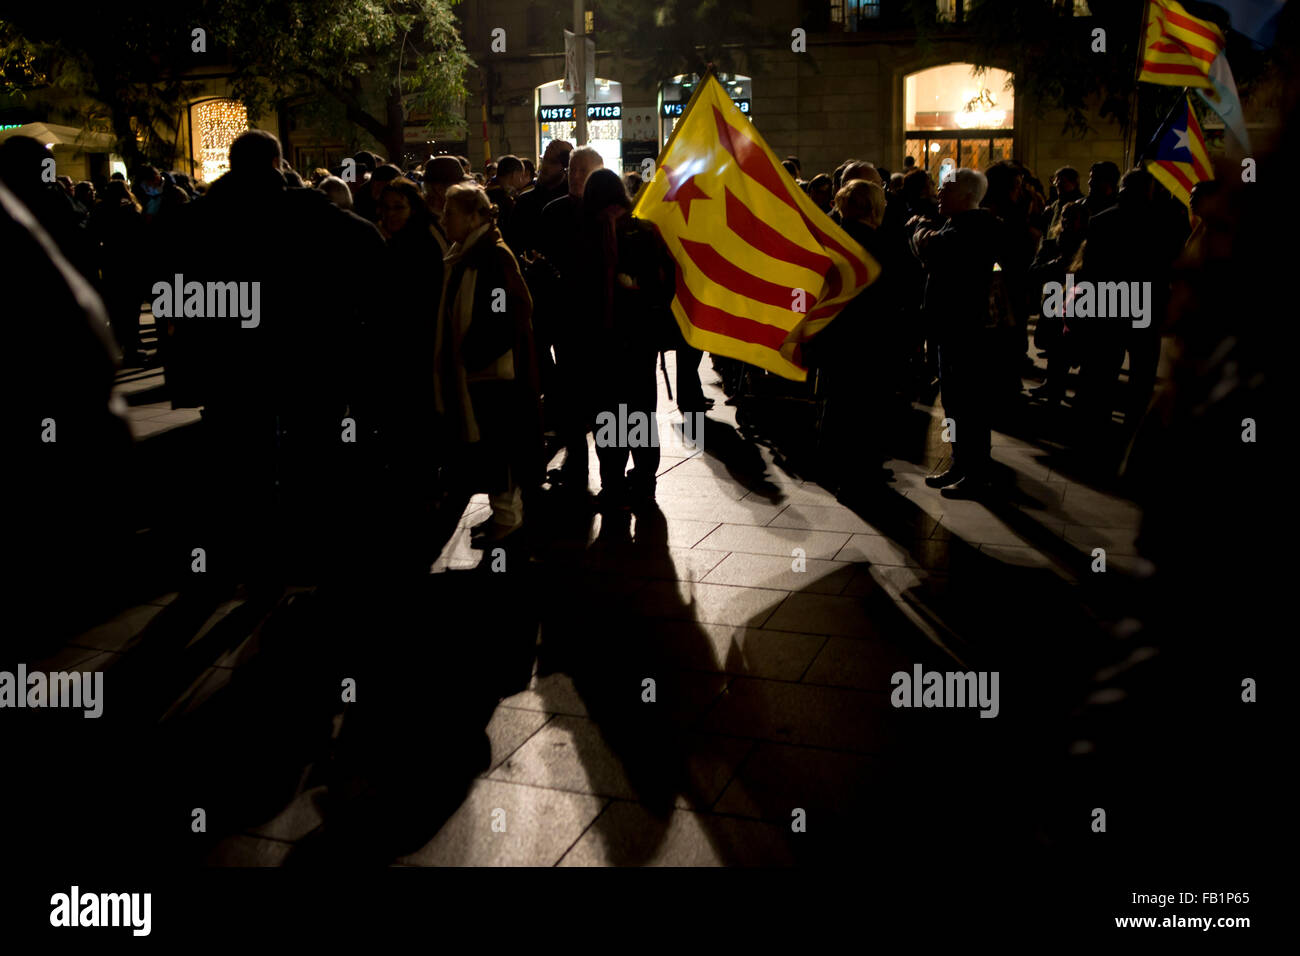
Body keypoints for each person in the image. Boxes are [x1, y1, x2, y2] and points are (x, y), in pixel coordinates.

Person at [154, 129, 390, 582]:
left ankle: (250, 548)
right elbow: (371, 262)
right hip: (308, 362)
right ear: (280, 163)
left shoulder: (197, 220)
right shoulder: (314, 216)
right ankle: (305, 546)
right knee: (311, 456)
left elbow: (171, 293)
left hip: (231, 367)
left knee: (242, 460)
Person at [432, 183, 543, 545]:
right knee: (492, 446)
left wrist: (474, 351)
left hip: (496, 374)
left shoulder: (492, 257)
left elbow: (509, 313)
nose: (444, 219)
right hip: (482, 370)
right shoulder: (467, 254)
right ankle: (503, 515)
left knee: (500, 446)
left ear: (474, 216)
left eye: (451, 213)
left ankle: (509, 519)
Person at [578, 168, 675, 509]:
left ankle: (613, 482)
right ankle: (645, 480)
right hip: (639, 341)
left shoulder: (586, 231)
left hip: (601, 343)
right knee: (640, 414)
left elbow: (578, 292)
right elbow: (665, 283)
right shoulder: (642, 229)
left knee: (608, 415)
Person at [912, 167, 1007, 499]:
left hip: (969, 332)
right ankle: (960, 462)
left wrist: (921, 230)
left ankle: (976, 472)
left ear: (967, 196)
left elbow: (933, 249)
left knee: (970, 404)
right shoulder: (958, 224)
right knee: (954, 402)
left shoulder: (976, 228)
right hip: (951, 329)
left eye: (946, 188)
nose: (939, 192)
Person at [540, 145, 604, 490]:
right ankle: (576, 461)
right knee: (568, 397)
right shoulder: (553, 212)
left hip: (601, 324)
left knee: (603, 399)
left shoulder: (609, 216)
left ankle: (612, 471)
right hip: (565, 322)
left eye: (583, 170)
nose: (575, 176)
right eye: (573, 170)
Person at [90, 180, 149, 365]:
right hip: (131, 264)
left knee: (116, 308)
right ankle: (132, 347)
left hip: (111, 263)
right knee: (131, 308)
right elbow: (142, 236)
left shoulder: (101, 210)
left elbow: (93, 234)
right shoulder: (131, 210)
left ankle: (118, 346)